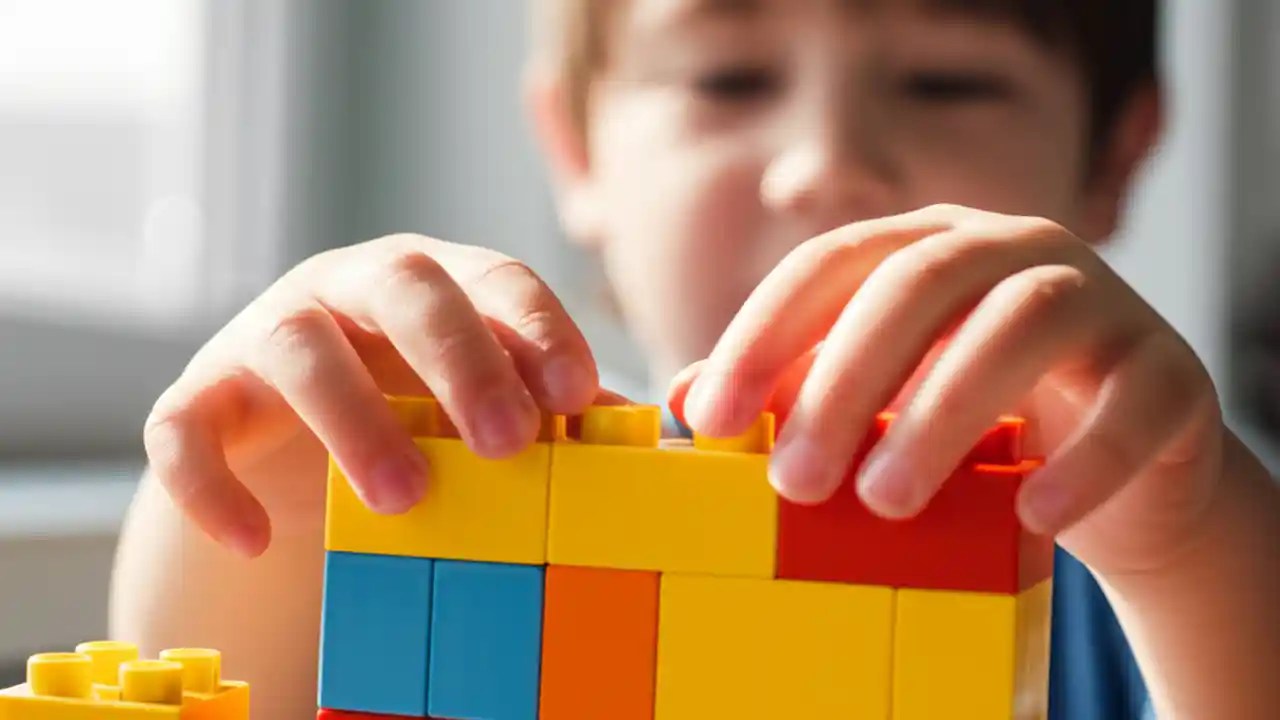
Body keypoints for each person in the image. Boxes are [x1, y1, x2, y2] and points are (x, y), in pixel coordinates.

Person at [112, 0, 1279, 717]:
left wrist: (1191, 549)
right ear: (574, 150)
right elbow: (210, 677)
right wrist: (272, 504)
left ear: (1115, 156)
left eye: (947, 82)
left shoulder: (1131, 572)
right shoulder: (476, 528)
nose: (822, 165)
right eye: (728, 78)